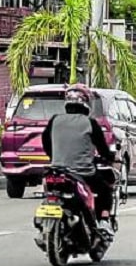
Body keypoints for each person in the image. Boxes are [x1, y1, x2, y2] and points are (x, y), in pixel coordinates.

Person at [42, 85, 117, 235]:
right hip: (83, 173)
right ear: (86, 103)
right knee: (105, 190)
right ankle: (103, 221)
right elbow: (102, 148)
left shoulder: (54, 120)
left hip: (57, 171)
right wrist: (109, 157)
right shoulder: (90, 123)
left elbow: (45, 142)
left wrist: (55, 158)